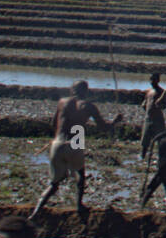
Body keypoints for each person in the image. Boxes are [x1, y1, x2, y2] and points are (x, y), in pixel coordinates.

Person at [29, 80, 121, 220]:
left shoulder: (62, 102)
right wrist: (115, 122)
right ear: (86, 92)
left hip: (57, 143)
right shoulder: (89, 106)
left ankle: (36, 212)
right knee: (80, 176)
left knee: (53, 184)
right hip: (75, 142)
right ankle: (79, 205)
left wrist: (59, 137)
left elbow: (53, 124)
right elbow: (103, 128)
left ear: (72, 90)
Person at [140, 71, 166, 159]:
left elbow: (165, 105)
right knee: (145, 140)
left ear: (158, 80)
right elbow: (144, 105)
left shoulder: (162, 92)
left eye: (154, 80)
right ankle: (142, 157)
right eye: (151, 79)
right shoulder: (149, 92)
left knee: (160, 140)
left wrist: (160, 104)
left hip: (158, 120)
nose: (152, 81)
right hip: (148, 119)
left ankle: (161, 158)